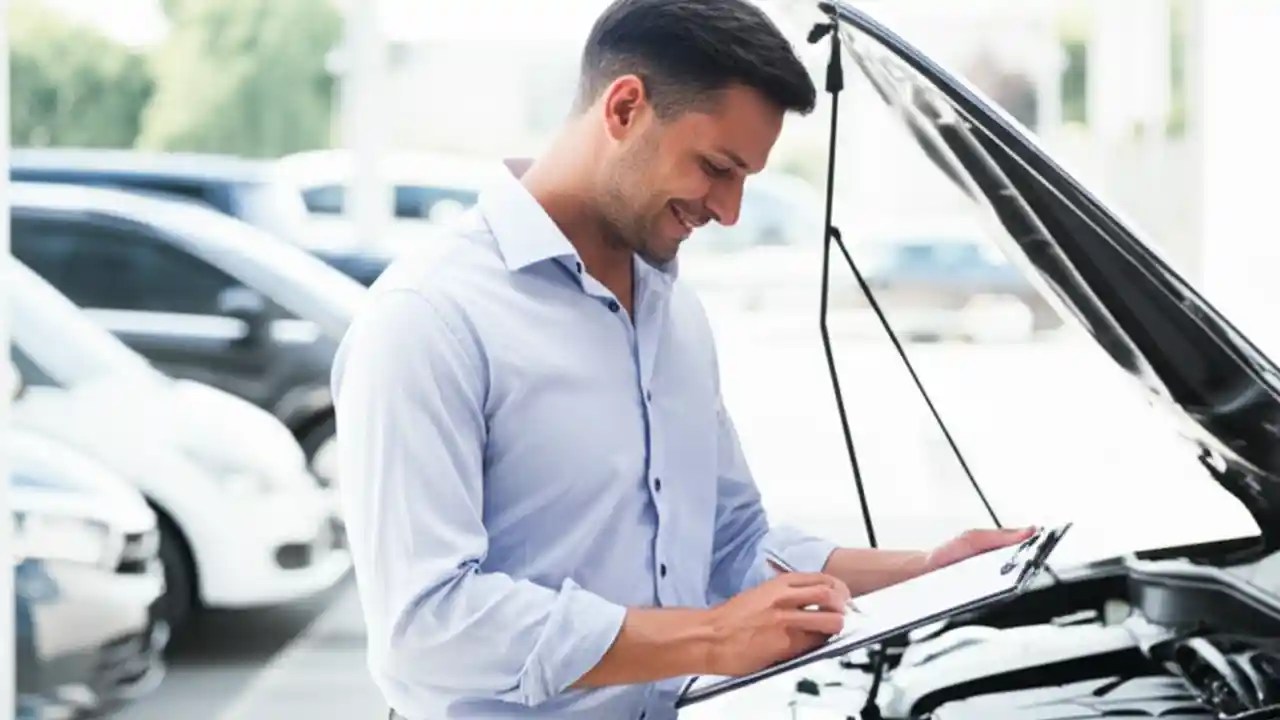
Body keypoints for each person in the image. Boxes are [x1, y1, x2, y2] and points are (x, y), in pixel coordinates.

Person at [330, 1, 1035, 718]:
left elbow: (732, 543)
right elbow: (426, 628)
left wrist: (923, 573)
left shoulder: (673, 311)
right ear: (626, 107)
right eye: (716, 167)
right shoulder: (429, 318)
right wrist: (708, 638)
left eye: (746, 180)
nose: (729, 211)